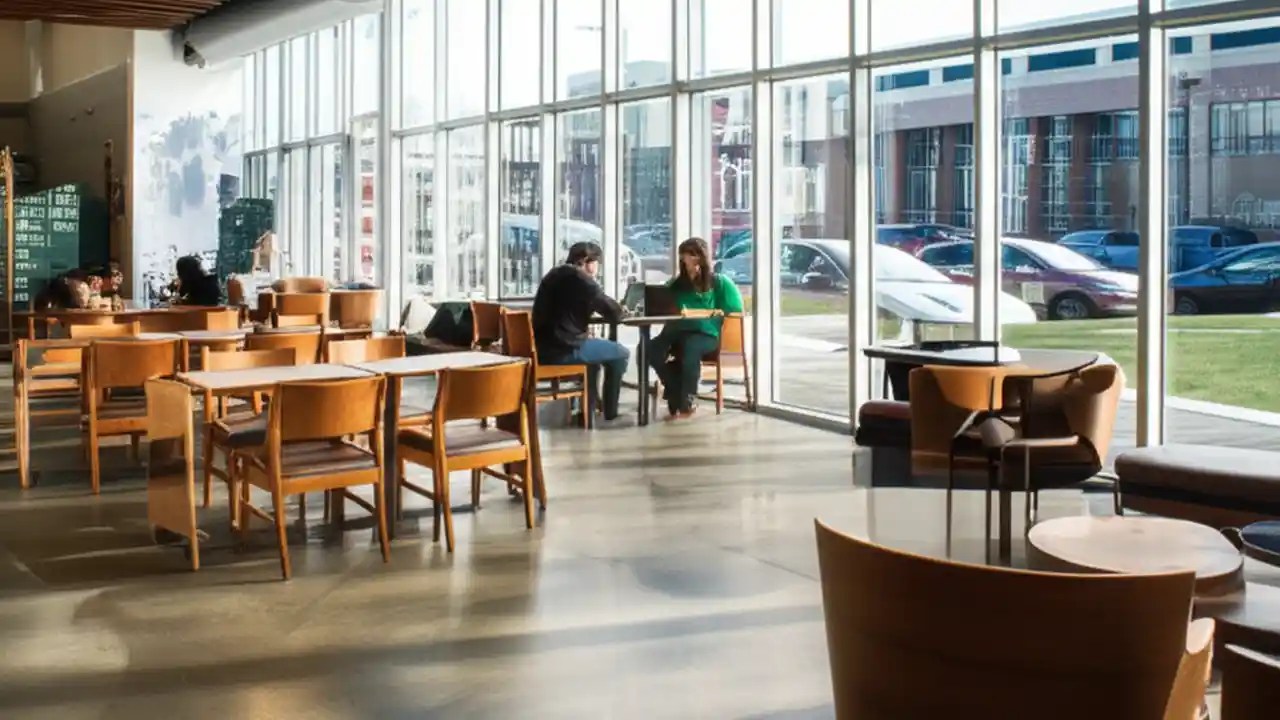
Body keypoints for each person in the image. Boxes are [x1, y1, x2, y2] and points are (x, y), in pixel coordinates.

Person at [532, 241, 628, 421]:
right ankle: (611, 413)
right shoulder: (583, 280)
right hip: (564, 349)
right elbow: (614, 313)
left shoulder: (554, 274)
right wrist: (623, 310)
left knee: (593, 359)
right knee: (621, 353)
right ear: (587, 262)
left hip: (541, 347)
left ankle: (588, 410)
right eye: (596, 263)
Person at [649, 237, 744, 419]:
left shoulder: (719, 283)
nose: (688, 260)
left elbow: (735, 310)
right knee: (648, 349)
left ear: (702, 258)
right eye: (685, 256)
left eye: (692, 255)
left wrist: (715, 312)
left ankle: (688, 398)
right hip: (676, 332)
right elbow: (661, 304)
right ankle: (674, 388)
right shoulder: (675, 285)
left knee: (690, 347)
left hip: (706, 334)